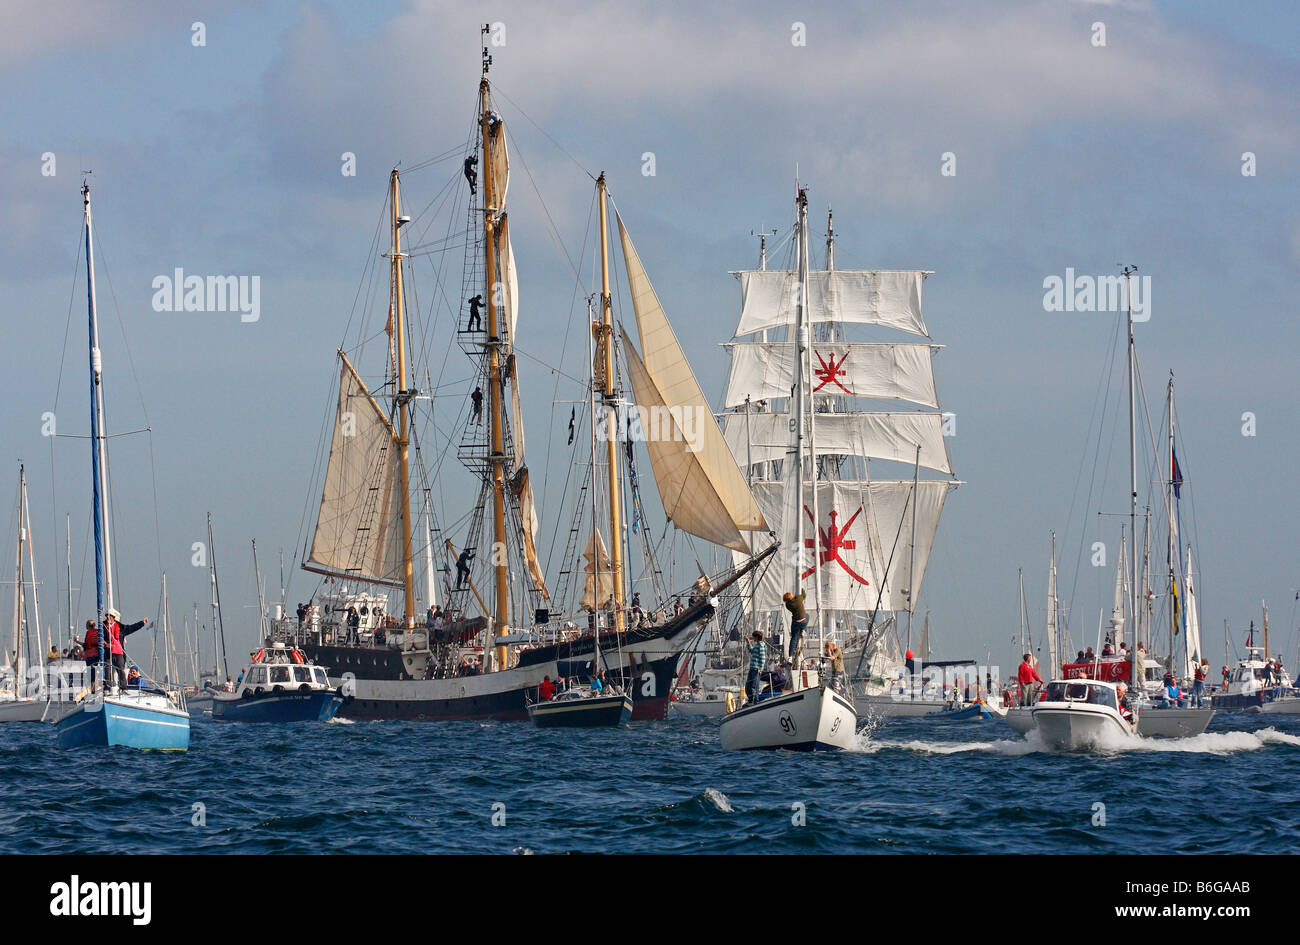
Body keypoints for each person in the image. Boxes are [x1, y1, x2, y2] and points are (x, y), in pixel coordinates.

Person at [104, 608, 148, 694]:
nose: (107, 618)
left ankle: (124, 688)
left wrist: (142, 623)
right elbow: (100, 638)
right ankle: (107, 688)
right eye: (106, 616)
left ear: (114, 617)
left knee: (121, 670)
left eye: (109, 616)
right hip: (108, 653)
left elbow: (132, 628)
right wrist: (105, 643)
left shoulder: (121, 628)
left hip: (118, 653)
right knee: (108, 670)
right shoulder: (103, 627)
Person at [783, 589, 807, 660]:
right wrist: (801, 589)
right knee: (807, 616)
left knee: (793, 639)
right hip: (803, 621)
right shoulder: (798, 599)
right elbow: (804, 596)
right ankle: (803, 630)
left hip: (795, 622)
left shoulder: (787, 605)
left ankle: (790, 656)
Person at [745, 630, 767, 706]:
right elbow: (751, 651)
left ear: (757, 637)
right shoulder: (757, 645)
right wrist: (748, 643)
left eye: (754, 637)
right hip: (752, 669)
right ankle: (751, 701)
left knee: (754, 687)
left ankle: (755, 702)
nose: (753, 638)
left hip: (756, 669)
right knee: (748, 687)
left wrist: (760, 669)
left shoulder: (761, 646)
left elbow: (763, 658)